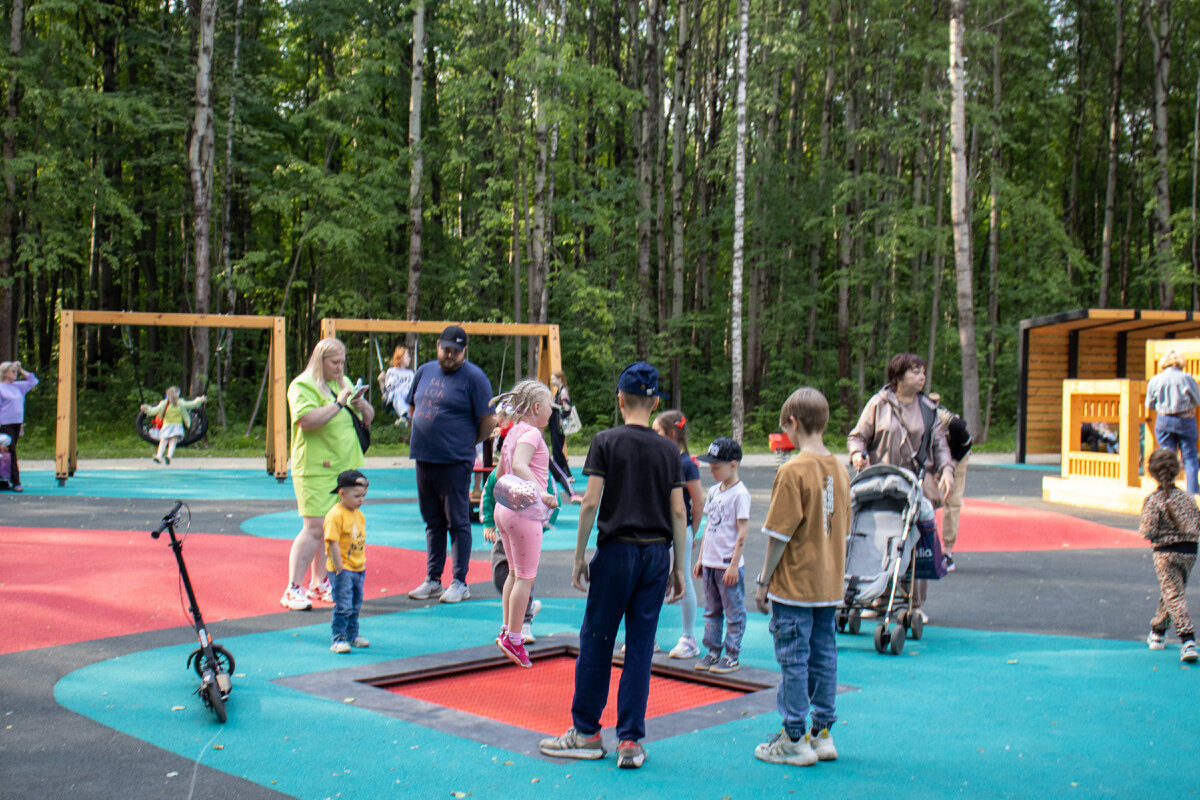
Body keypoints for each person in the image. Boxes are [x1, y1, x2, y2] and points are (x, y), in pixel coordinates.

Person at [538, 361, 686, 770]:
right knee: (640, 646)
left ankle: (586, 732)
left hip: (617, 551)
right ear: (655, 402)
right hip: (656, 554)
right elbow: (679, 510)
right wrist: (678, 565)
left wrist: (578, 554)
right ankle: (630, 741)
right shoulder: (669, 449)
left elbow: (589, 501)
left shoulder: (606, 441)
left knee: (598, 640)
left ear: (619, 399)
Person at [753, 386, 849, 767]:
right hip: (829, 582)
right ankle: (821, 733)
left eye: (785, 428)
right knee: (824, 656)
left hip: (794, 584)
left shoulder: (792, 470)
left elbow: (779, 535)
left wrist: (763, 582)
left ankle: (794, 735)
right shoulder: (840, 468)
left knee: (793, 659)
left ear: (793, 423)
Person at [847, 353, 953, 620]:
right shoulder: (878, 404)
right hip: (881, 482)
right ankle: (876, 596)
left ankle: (913, 605)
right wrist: (857, 454)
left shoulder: (929, 409)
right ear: (898, 375)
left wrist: (947, 471)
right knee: (880, 538)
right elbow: (858, 436)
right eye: (916, 372)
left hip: (915, 483)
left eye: (923, 372)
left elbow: (940, 445)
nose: (922, 377)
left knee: (915, 540)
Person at [280, 337, 374, 612]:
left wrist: (359, 402)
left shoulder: (340, 384)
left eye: (342, 362)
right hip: (315, 467)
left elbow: (367, 417)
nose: (339, 367)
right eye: (335, 362)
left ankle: (319, 582)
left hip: (343, 465)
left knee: (329, 527)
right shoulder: (302, 385)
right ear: (320, 360)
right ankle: (293, 587)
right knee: (313, 528)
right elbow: (307, 421)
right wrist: (339, 404)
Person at [406, 325, 496, 604]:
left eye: (456, 351)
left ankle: (459, 581)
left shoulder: (475, 378)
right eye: (446, 349)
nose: (450, 355)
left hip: (455, 460)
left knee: (457, 521)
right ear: (438, 346)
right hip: (424, 457)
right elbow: (413, 407)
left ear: (464, 351)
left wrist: (466, 442)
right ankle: (433, 579)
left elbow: (488, 421)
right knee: (432, 521)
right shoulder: (424, 371)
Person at [487, 379, 559, 667]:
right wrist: (541, 492)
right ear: (538, 407)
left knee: (515, 574)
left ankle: (507, 630)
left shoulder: (513, 431)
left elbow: (502, 470)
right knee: (525, 577)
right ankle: (515, 638)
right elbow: (518, 466)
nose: (552, 413)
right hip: (524, 512)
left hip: (507, 509)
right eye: (550, 408)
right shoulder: (531, 433)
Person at [481, 420, 554, 645]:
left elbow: (551, 496)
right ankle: (513, 622)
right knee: (503, 575)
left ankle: (524, 622)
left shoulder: (535, 474)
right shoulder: (500, 475)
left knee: (522, 577)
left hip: (523, 529)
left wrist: (543, 520)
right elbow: (489, 494)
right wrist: (488, 524)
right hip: (504, 533)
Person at [692, 436, 751, 674]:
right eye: (711, 467)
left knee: (733, 611)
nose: (712, 471)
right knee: (711, 610)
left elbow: (743, 531)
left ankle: (732, 654)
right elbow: (709, 526)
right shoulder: (715, 491)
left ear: (733, 464)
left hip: (728, 564)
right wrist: (700, 559)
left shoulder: (740, 494)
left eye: (716, 467)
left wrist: (734, 564)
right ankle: (713, 651)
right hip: (710, 563)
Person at [652, 410, 705, 659]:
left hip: (678, 530)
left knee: (682, 579)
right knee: (653, 581)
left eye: (657, 432)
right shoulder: (658, 460)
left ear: (671, 435)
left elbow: (698, 502)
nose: (652, 436)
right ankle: (647, 637)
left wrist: (691, 533)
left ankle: (688, 638)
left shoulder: (685, 464)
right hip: (658, 529)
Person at [1140, 448, 1199, 664]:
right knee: (1172, 591)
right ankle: (1158, 632)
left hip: (1165, 553)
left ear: (1152, 473)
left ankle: (1188, 640)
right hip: (1190, 551)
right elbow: (1196, 523)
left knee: (1174, 595)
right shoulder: (1187, 498)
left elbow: (1147, 530)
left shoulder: (1154, 500)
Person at [325, 469, 371, 654]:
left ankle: (352, 634)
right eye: (357, 496)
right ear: (341, 493)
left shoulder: (358, 514)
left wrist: (360, 563)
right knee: (343, 605)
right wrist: (339, 568)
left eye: (363, 496)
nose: (361, 500)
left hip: (358, 567)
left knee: (356, 603)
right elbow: (332, 542)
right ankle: (338, 638)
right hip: (343, 569)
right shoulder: (335, 515)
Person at [1144, 350, 1200, 495]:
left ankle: (1167, 491)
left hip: (1164, 419)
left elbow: (1149, 404)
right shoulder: (1187, 378)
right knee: (1190, 457)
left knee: (1167, 457)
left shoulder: (1156, 379)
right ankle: (1192, 492)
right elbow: (1197, 400)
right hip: (1185, 418)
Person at [928, 392, 972, 572]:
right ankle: (927, 544)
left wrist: (950, 468)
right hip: (933, 457)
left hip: (957, 457)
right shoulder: (916, 420)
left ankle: (947, 551)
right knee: (926, 497)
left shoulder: (953, 424)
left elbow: (966, 444)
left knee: (951, 501)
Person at [140, 387, 207, 465]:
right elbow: (192, 404)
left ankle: (159, 456)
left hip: (166, 427)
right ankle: (169, 456)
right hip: (177, 427)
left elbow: (154, 411)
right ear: (178, 395)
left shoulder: (164, 404)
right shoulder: (180, 403)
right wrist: (200, 400)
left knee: (163, 440)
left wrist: (146, 408)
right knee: (173, 441)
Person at [0, 360, 37, 493]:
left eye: (16, 372)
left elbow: (33, 381)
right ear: (5, 373)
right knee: (11, 451)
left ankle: (4, 479)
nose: (15, 374)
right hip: (4, 423)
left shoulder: (19, 386)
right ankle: (16, 482)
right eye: (13, 371)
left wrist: (21, 370)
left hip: (17, 423)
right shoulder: (1, 387)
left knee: (6, 453)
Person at [548, 371, 580, 501]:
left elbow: (566, 407)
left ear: (560, 379)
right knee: (556, 450)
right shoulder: (560, 391)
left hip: (559, 423)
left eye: (553, 379)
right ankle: (564, 473)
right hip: (556, 423)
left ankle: (566, 473)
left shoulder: (563, 392)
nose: (551, 381)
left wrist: (552, 405)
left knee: (557, 449)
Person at [377, 345, 416, 426]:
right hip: (394, 397)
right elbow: (386, 391)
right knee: (397, 392)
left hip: (407, 396)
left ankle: (404, 418)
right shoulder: (391, 371)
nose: (410, 358)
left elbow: (413, 389)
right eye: (407, 356)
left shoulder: (410, 373)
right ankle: (404, 415)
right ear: (401, 358)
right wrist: (381, 381)